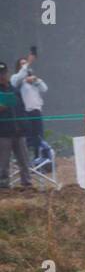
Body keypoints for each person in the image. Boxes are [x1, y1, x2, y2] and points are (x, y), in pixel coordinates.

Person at [0, 61, 33, 190]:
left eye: (3, 73)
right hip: (3, 133)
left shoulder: (14, 89)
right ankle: (3, 186)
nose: (2, 76)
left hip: (19, 131)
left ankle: (27, 184)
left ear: (7, 73)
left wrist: (24, 123)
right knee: (3, 162)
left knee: (24, 160)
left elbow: (22, 107)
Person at [11, 49, 48, 157]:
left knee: (39, 137)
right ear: (18, 67)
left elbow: (44, 89)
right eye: (22, 64)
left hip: (37, 111)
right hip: (25, 112)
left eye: (25, 63)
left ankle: (39, 160)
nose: (25, 66)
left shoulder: (33, 79)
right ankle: (25, 160)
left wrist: (36, 80)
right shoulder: (16, 79)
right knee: (28, 138)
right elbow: (17, 79)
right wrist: (28, 62)